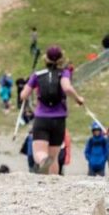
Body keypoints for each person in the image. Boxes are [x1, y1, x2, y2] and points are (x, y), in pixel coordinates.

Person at [19, 45, 85, 175]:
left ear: (46, 58)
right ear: (61, 59)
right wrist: (78, 99)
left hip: (42, 118)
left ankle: (43, 161)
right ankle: (54, 183)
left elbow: (23, 95)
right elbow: (67, 88)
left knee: (39, 152)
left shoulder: (37, 75)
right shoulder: (64, 73)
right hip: (59, 119)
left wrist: (27, 94)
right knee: (54, 157)